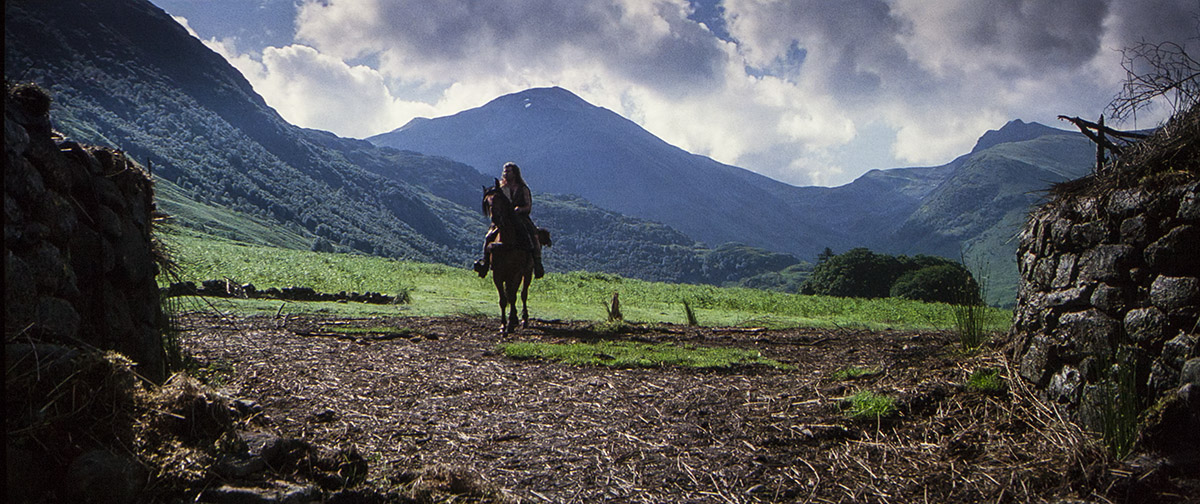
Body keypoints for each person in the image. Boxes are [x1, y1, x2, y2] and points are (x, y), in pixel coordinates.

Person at [474, 162, 544, 278]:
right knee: (489, 236)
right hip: (504, 218)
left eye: (508, 171)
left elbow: (528, 206)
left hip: (520, 217)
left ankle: (537, 263)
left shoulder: (523, 189)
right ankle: (485, 262)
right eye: (504, 171)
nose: (505, 173)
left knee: (533, 235)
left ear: (515, 173)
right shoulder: (501, 189)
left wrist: (519, 209)